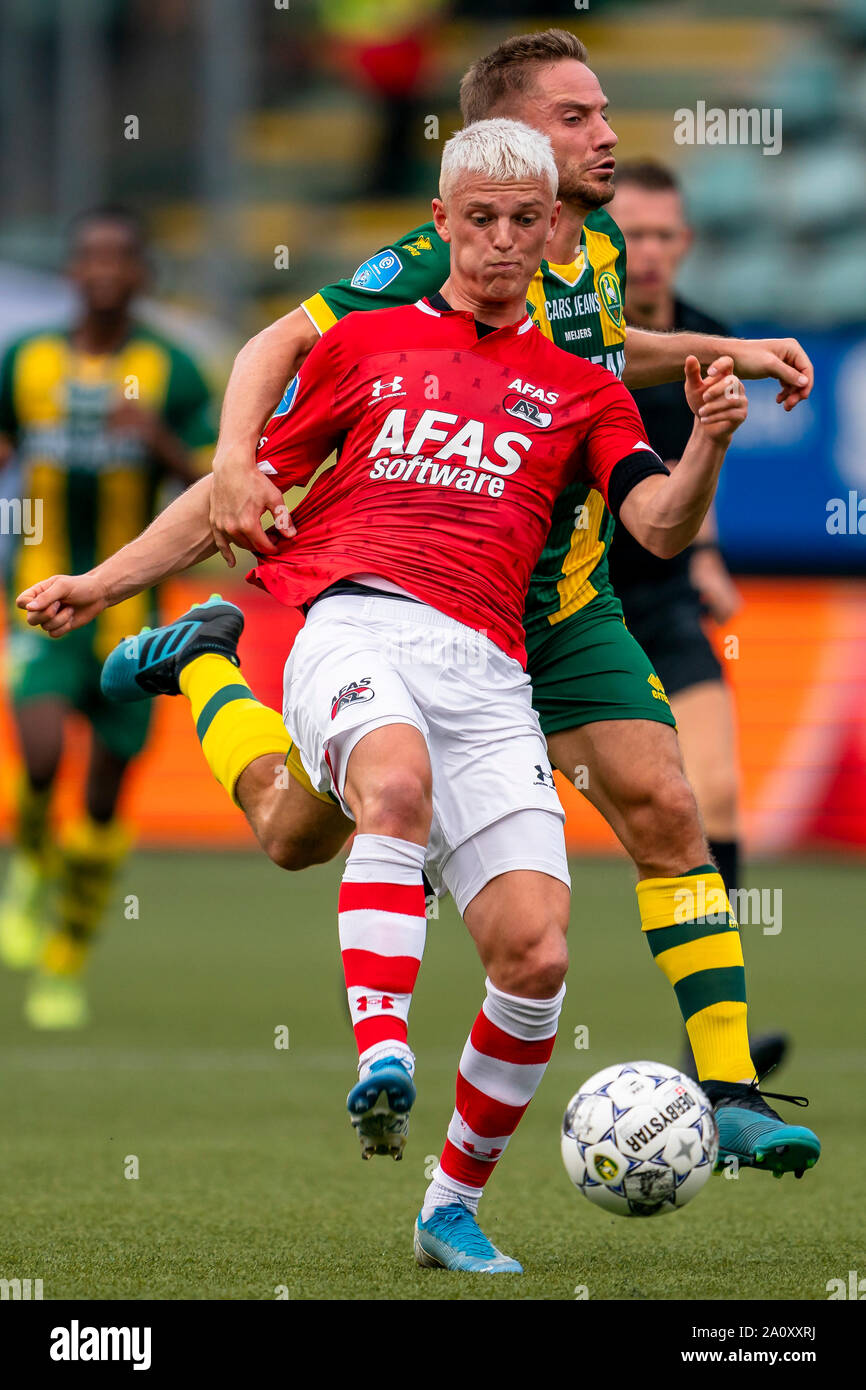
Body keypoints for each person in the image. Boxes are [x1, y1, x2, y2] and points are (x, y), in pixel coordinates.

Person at [19, 121, 818, 1271]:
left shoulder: (580, 389)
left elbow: (653, 522)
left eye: (521, 220)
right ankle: (381, 1055)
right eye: (476, 219)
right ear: (439, 223)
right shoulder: (367, 344)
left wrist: (704, 444)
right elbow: (233, 488)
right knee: (392, 779)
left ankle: (446, 1207)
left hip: (492, 670)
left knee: (523, 947)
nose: (499, 240)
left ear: (553, 232)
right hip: (357, 621)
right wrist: (103, 582)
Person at [203, 29, 815, 1122]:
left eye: (604, 111)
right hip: (423, 597)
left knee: (666, 807)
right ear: (512, 140)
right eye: (576, 115)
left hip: (562, 602)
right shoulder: (432, 257)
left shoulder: (597, 247)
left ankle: (726, 1085)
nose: (605, 132)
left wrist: (735, 349)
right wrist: (228, 472)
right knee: (296, 834)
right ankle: (206, 675)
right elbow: (277, 346)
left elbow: (595, 353)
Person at [0, 206, 216, 1029]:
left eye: (118, 257)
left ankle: (64, 960)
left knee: (101, 801)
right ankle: (28, 863)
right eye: (88, 255)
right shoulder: (27, 360)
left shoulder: (173, 370)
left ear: (141, 274)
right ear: (71, 271)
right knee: (43, 746)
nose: (102, 270)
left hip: (132, 616)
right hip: (40, 597)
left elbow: (213, 478)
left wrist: (159, 441)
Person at [607, 160, 789, 1080]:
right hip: (563, 599)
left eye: (662, 234)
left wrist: (707, 554)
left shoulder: (711, 338)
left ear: (686, 241)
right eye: (629, 232)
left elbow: (694, 467)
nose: (646, 251)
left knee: (714, 794)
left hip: (662, 596)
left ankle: (715, 1042)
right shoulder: (581, 329)